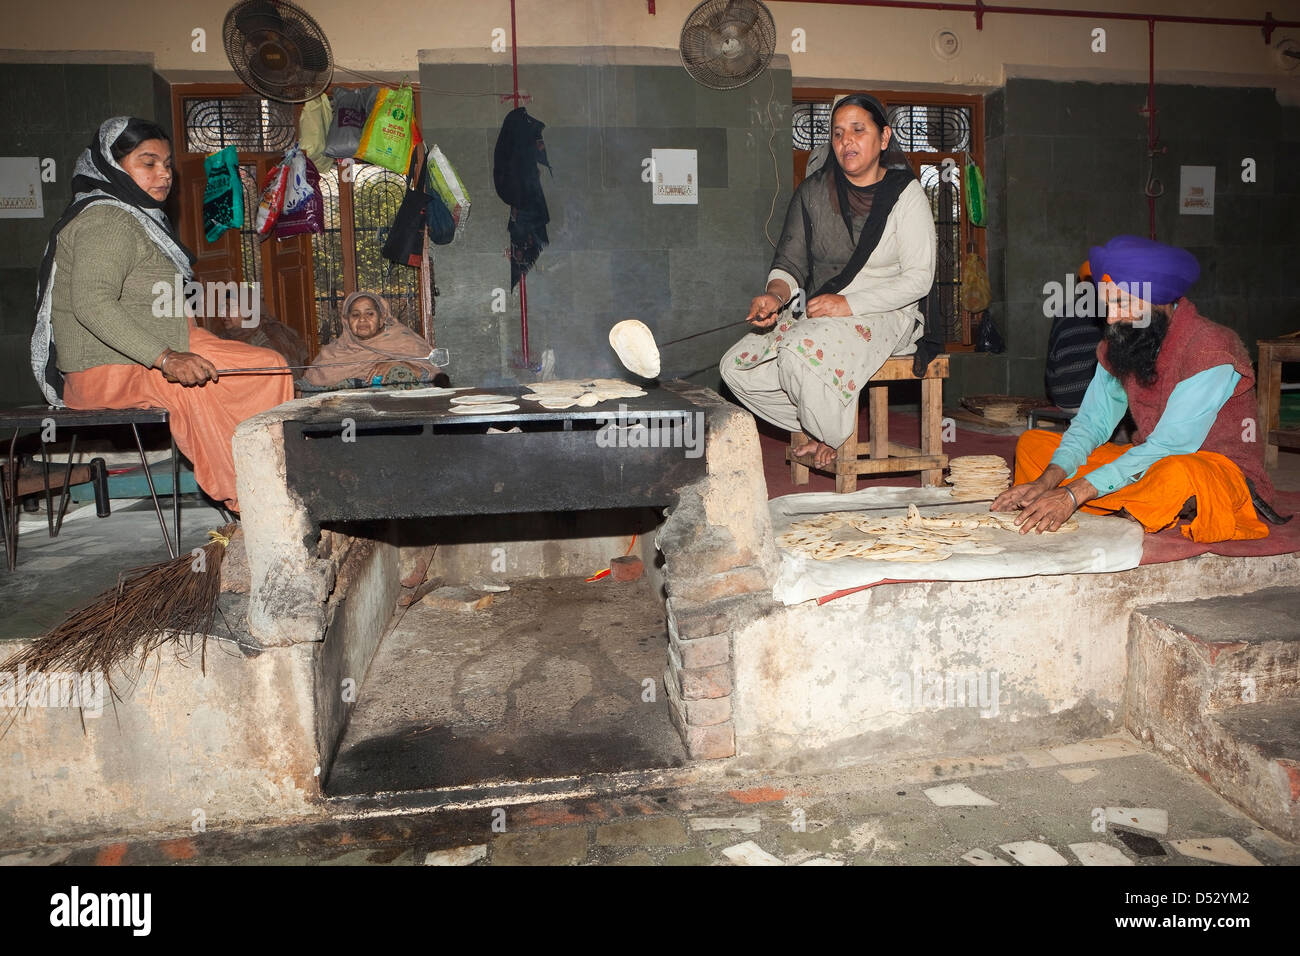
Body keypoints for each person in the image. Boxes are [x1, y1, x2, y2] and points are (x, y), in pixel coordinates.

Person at [31, 116, 293, 513]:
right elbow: (92, 305)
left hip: (149, 351)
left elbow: (155, 305)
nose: (164, 174)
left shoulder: (138, 218)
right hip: (107, 368)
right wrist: (167, 359)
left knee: (267, 368)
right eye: (148, 162)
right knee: (202, 385)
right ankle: (249, 499)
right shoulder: (106, 220)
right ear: (112, 165)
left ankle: (269, 478)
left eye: (167, 163)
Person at [993, 235, 1288, 543]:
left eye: (1121, 304)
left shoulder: (1211, 349)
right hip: (1148, 460)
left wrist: (1071, 493)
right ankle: (1116, 502)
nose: (1110, 319)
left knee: (1175, 474)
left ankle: (1113, 501)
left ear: (1158, 301)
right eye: (1107, 306)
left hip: (1208, 468)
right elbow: (1092, 423)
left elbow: (1170, 446)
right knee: (1032, 445)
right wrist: (1047, 480)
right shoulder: (1123, 341)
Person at [720, 93, 937, 470]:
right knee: (736, 366)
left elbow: (919, 279)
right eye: (837, 134)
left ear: (884, 138)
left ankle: (834, 435)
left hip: (888, 312)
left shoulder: (905, 194)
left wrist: (848, 305)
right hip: (826, 310)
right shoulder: (815, 192)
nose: (846, 141)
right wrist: (774, 296)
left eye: (858, 130)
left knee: (796, 351)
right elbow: (791, 263)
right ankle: (821, 418)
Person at [302, 291, 448, 387]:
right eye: (355, 315)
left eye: (370, 314)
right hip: (346, 424)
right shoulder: (334, 352)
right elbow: (308, 384)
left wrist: (400, 364)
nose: (362, 320)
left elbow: (436, 378)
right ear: (346, 321)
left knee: (398, 371)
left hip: (402, 424)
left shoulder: (404, 341)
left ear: (382, 318)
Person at [212, 284, 310, 371]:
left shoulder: (271, 334)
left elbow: (278, 372)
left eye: (230, 308)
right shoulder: (222, 337)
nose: (223, 313)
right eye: (222, 308)